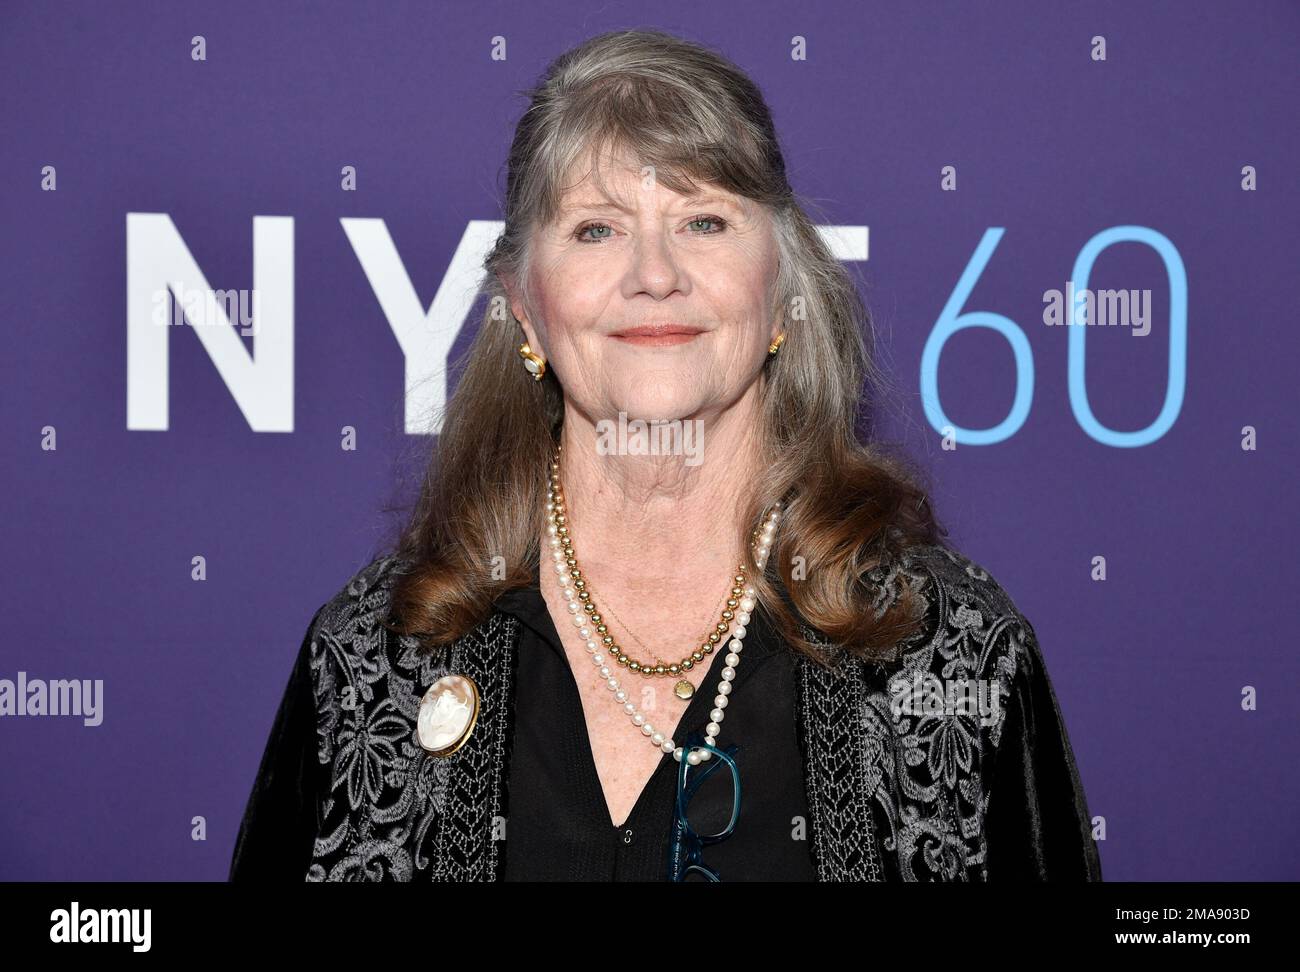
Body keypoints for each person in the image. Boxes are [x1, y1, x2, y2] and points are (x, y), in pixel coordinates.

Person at [229, 28, 1101, 882]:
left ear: (785, 295)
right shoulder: (376, 656)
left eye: (704, 221)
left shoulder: (947, 650)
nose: (655, 273)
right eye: (597, 230)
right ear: (524, 307)